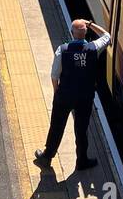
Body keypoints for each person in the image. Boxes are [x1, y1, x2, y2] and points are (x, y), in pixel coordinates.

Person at [35, 18, 111, 172]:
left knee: (57, 126)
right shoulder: (93, 48)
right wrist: (90, 24)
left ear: (71, 33)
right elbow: (107, 36)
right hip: (85, 97)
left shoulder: (62, 50)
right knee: (81, 130)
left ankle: (46, 157)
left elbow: (54, 75)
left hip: (65, 95)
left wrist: (58, 93)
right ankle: (81, 161)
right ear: (85, 34)